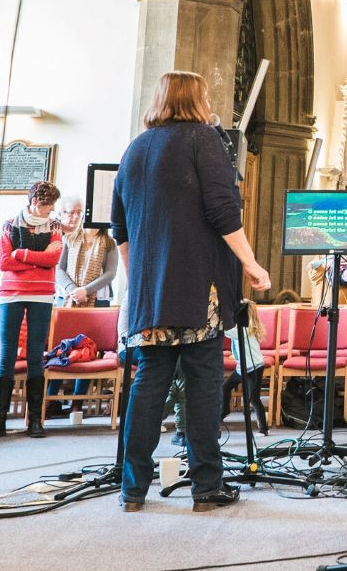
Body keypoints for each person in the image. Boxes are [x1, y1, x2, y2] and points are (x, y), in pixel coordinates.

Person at [113, 70, 272, 514]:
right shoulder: (204, 141)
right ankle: (206, 486)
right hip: (197, 286)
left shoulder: (135, 149)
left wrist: (142, 276)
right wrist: (251, 263)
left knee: (148, 384)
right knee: (203, 382)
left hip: (150, 292)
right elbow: (223, 211)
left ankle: (132, 489)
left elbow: (119, 230)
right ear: (195, 99)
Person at [0, 180, 63, 439]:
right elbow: (4, 262)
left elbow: (53, 259)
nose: (48, 211)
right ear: (33, 202)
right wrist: (34, 259)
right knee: (7, 356)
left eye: (51, 207)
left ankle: (36, 421)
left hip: (42, 295)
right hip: (11, 295)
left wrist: (22, 254)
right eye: (44, 206)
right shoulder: (10, 224)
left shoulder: (55, 226)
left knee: (35, 356)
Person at [54, 196, 118, 306]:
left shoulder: (109, 242)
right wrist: (74, 290)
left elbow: (110, 273)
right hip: (68, 296)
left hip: (98, 298)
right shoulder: (68, 239)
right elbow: (59, 269)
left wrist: (85, 290)